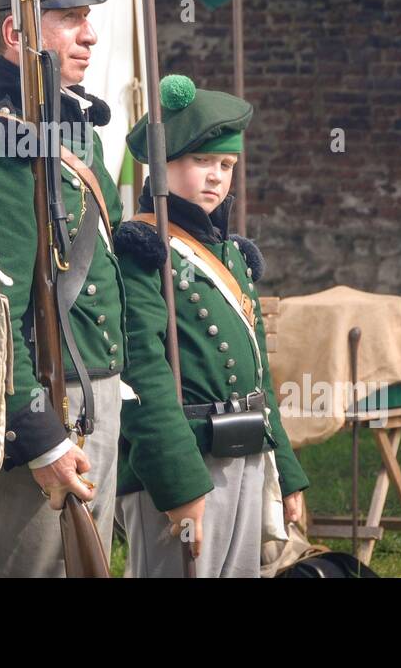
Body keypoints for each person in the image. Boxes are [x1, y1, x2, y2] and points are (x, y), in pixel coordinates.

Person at [0, 0, 133, 576]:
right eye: (67, 18)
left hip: (98, 398)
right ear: (16, 33)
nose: (90, 33)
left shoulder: (69, 130)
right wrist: (40, 433)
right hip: (48, 415)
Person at [114, 74, 309, 577]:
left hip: (244, 447)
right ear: (163, 162)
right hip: (183, 457)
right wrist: (179, 484)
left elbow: (261, 378)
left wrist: (285, 472)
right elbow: (141, 378)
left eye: (226, 165)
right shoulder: (143, 248)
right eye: (201, 161)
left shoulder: (233, 256)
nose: (216, 177)